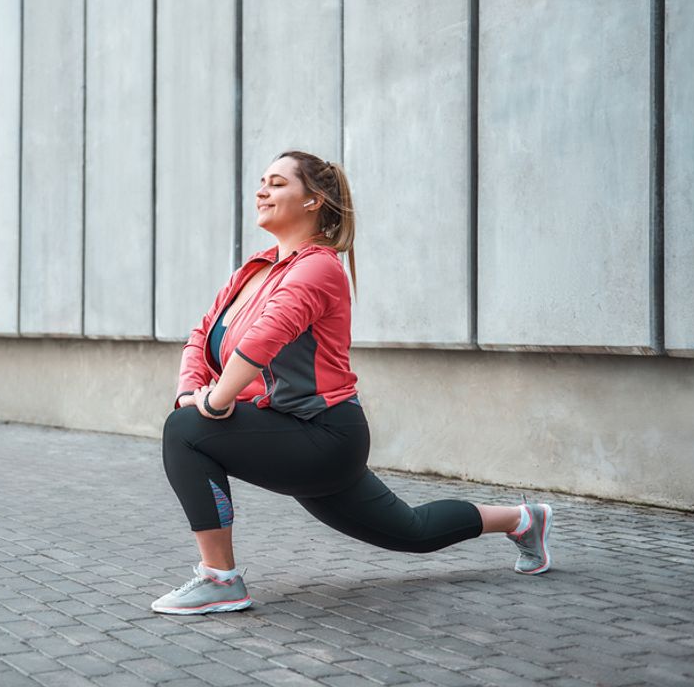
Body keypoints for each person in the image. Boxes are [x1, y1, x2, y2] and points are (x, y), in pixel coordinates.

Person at [152, 150, 553, 615]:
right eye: (262, 180)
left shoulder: (319, 267)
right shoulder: (256, 269)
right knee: (412, 531)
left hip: (325, 435)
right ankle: (524, 520)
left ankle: (220, 579)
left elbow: (267, 337)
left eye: (278, 183)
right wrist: (189, 391)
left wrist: (216, 402)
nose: (262, 190)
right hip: (286, 429)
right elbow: (203, 332)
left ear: (312, 201)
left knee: (184, 433)